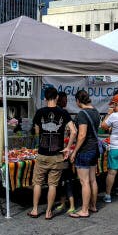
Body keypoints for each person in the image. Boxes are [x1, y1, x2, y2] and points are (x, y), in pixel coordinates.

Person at [28, 86, 76, 220]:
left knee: (37, 183)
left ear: (45, 98)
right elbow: (74, 131)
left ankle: (35, 210)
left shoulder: (39, 112)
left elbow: (37, 131)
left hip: (42, 153)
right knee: (52, 185)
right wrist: (68, 147)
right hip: (57, 155)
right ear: (57, 98)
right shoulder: (63, 113)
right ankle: (49, 212)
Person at [68, 89, 100, 218]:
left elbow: (81, 135)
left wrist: (74, 151)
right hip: (94, 149)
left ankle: (84, 210)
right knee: (92, 180)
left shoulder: (82, 114)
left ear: (78, 101)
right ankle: (93, 206)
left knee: (84, 182)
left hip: (85, 150)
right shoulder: (96, 112)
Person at [54, 92, 76, 216]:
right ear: (58, 100)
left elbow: (72, 131)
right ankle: (63, 203)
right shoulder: (62, 113)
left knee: (66, 179)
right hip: (59, 151)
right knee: (61, 180)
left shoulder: (64, 113)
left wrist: (68, 146)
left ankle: (71, 205)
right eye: (64, 99)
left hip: (62, 151)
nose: (66, 101)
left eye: (67, 99)